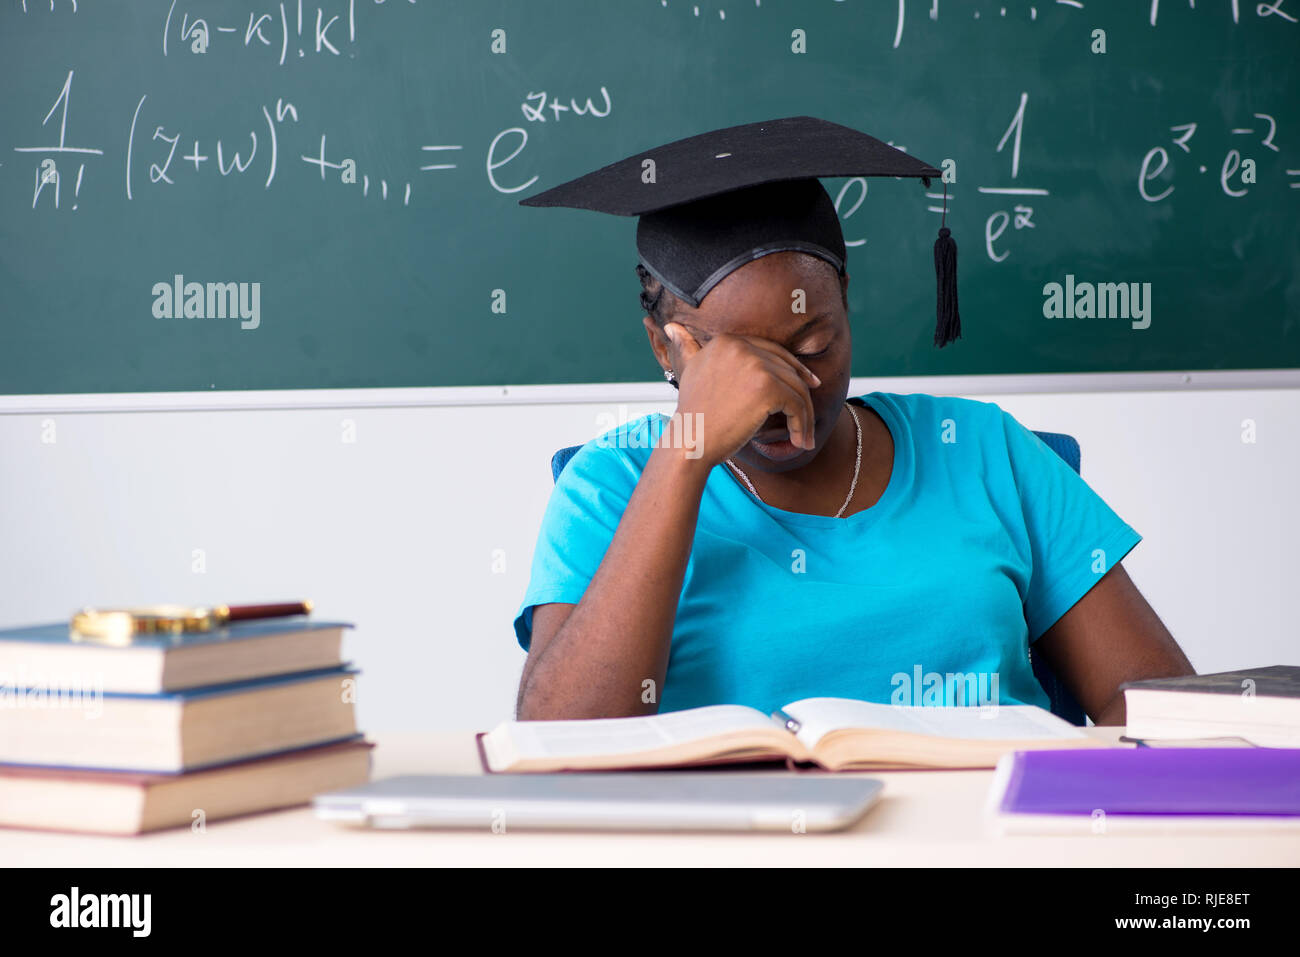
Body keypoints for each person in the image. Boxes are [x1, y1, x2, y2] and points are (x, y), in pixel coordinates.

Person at [511, 116, 1193, 723]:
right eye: (739, 366)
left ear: (845, 302)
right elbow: (561, 741)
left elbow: (1153, 697)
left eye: (813, 345)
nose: (787, 396)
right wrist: (686, 456)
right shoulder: (611, 485)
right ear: (665, 346)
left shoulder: (987, 453)